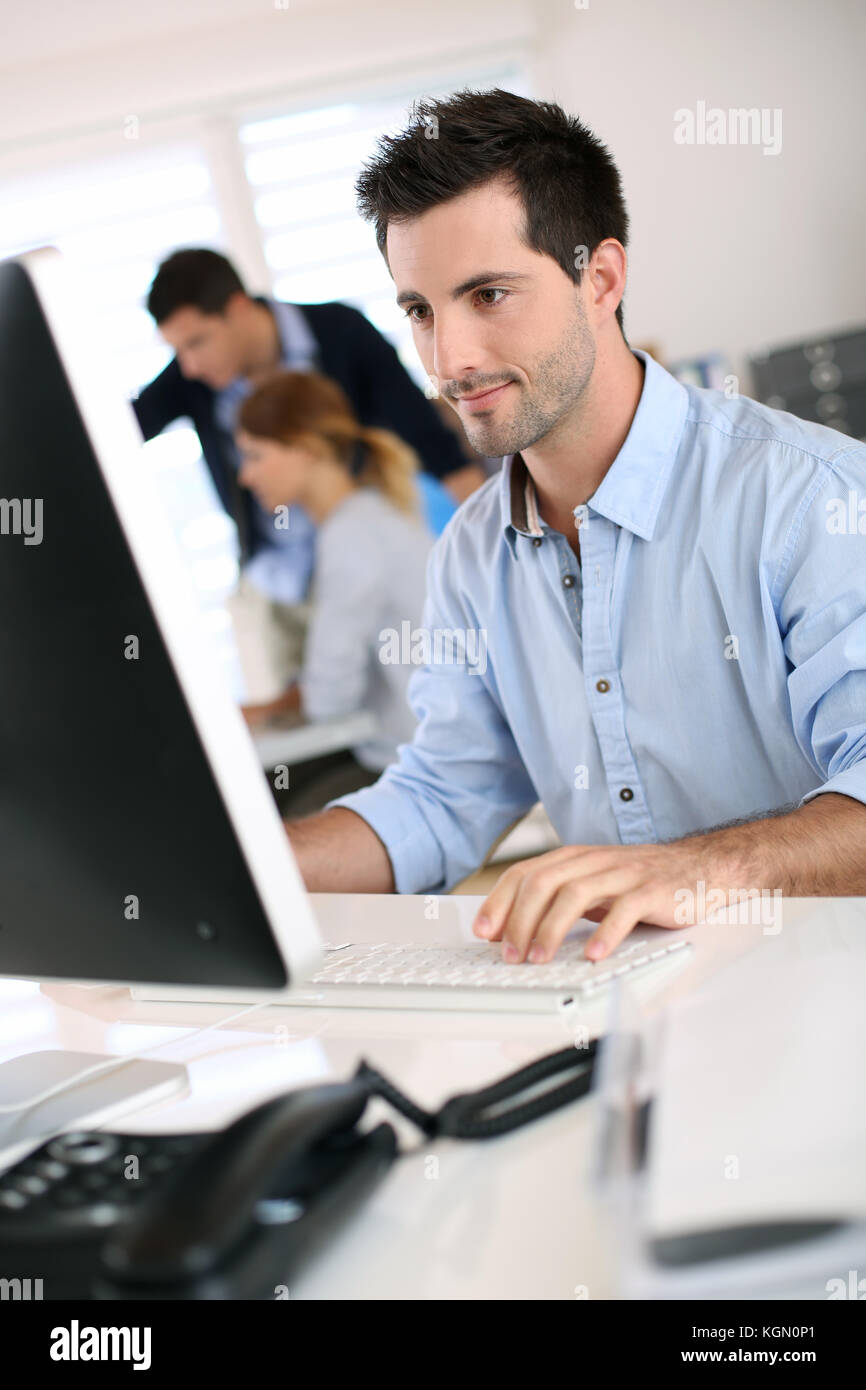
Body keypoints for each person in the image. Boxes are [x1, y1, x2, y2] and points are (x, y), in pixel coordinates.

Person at [283, 87, 866, 964]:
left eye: (488, 294)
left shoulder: (805, 497)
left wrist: (695, 870)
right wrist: (243, 862)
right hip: (625, 1016)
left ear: (600, 277)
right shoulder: (473, 554)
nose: (450, 359)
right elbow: (443, 798)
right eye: (420, 310)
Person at [131, 249, 485, 676]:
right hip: (276, 582)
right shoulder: (191, 379)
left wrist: (489, 549)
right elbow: (118, 433)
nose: (188, 365)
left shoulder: (341, 332)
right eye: (177, 350)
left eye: (197, 342)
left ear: (239, 308)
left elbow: (429, 439)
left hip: (358, 570)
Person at [234, 368, 433, 815]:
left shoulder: (351, 536)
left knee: (259, 818)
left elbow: (329, 700)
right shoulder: (372, 515)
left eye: (255, 455)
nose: (246, 476)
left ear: (306, 451)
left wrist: (272, 709)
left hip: (406, 764)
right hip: (408, 747)